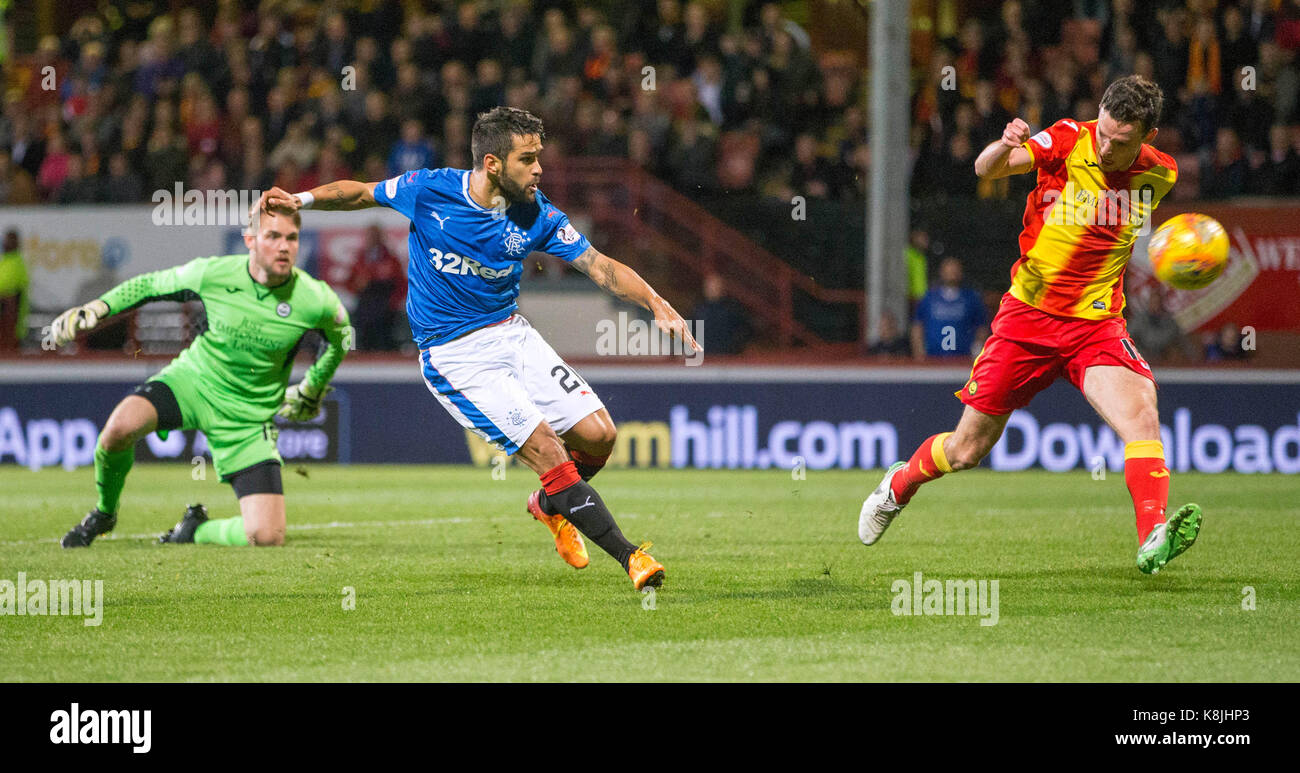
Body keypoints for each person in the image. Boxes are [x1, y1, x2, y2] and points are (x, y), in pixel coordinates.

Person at [261, 106, 699, 591]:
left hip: (511, 332)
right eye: (527, 159)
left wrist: (656, 302)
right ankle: (631, 557)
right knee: (548, 451)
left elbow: (598, 265)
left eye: (539, 158)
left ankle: (549, 505)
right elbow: (360, 193)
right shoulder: (430, 190)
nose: (539, 170)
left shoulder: (537, 213)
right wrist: (299, 198)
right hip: (454, 354)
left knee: (599, 437)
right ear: (492, 163)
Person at [859, 75, 1203, 575]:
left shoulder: (1161, 174)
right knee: (966, 449)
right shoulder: (1067, 139)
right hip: (1027, 319)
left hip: (1095, 326)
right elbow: (986, 169)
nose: (1106, 146)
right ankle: (898, 486)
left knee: (1142, 417)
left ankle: (1152, 534)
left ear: (1147, 138)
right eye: (1103, 131)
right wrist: (1004, 144)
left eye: (1120, 141)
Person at [50, 205, 351, 548]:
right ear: (250, 240)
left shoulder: (315, 298)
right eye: (273, 236)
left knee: (267, 536)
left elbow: (343, 337)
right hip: (193, 383)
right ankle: (105, 512)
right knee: (118, 430)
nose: (284, 247)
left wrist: (312, 386)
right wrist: (98, 308)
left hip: (247, 417)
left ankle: (195, 530)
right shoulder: (214, 274)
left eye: (292, 238)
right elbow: (150, 285)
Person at [910, 257, 988, 359]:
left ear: (961, 272)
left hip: (963, 358)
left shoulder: (971, 298)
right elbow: (917, 326)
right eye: (949, 270)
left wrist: (977, 350)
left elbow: (982, 326)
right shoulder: (929, 298)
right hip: (932, 358)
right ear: (941, 272)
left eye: (955, 270)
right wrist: (919, 352)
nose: (952, 274)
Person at [0, 229, 29, 351]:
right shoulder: (4, 261)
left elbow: (8, 295)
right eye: (6, 239)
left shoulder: (17, 264)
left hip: (11, 329)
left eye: (10, 240)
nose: (6, 243)